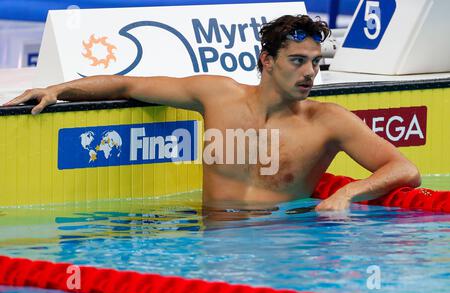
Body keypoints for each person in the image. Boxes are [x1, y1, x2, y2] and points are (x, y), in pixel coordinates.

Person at [2, 15, 421, 212]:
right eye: (297, 60)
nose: (310, 71)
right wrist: (56, 89)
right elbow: (128, 84)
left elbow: (403, 169)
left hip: (289, 247)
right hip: (210, 246)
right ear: (267, 61)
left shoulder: (327, 121)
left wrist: (346, 193)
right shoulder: (217, 95)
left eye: (315, 61)